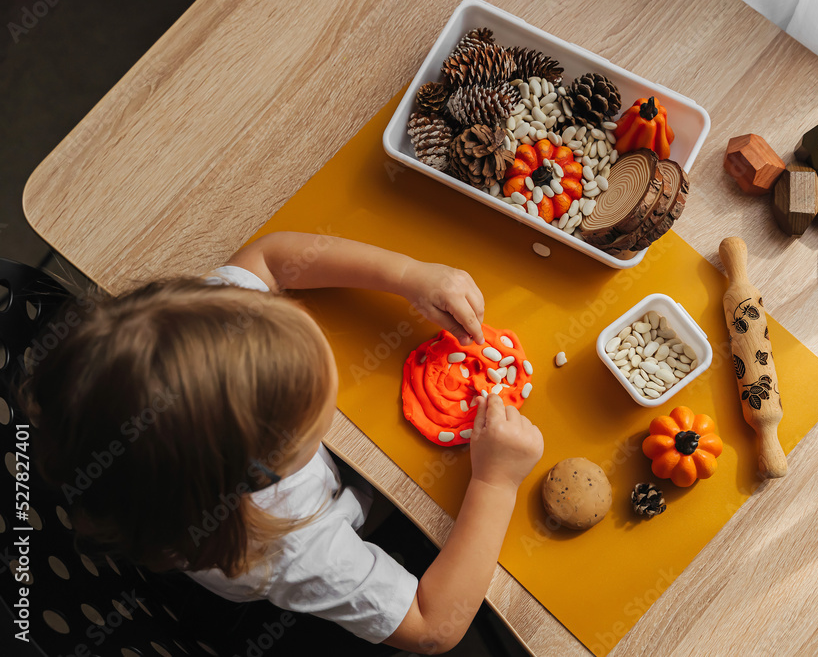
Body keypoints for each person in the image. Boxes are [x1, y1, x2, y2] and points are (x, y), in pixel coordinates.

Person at [19, 231, 544, 653]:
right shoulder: (290, 550)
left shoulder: (203, 338)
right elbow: (433, 627)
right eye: (316, 407)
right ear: (268, 468)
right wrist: (494, 482)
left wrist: (408, 276)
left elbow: (267, 258)